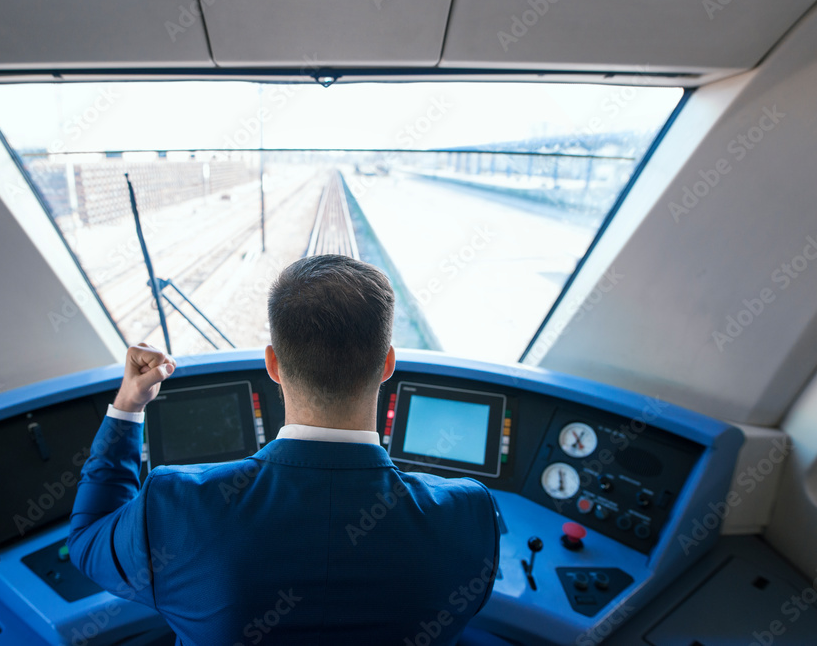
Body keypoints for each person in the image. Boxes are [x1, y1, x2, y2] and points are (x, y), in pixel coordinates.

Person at [68, 255, 500, 645]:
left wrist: (128, 407)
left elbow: (86, 543)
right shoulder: (468, 516)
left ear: (272, 364)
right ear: (387, 364)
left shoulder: (174, 506)